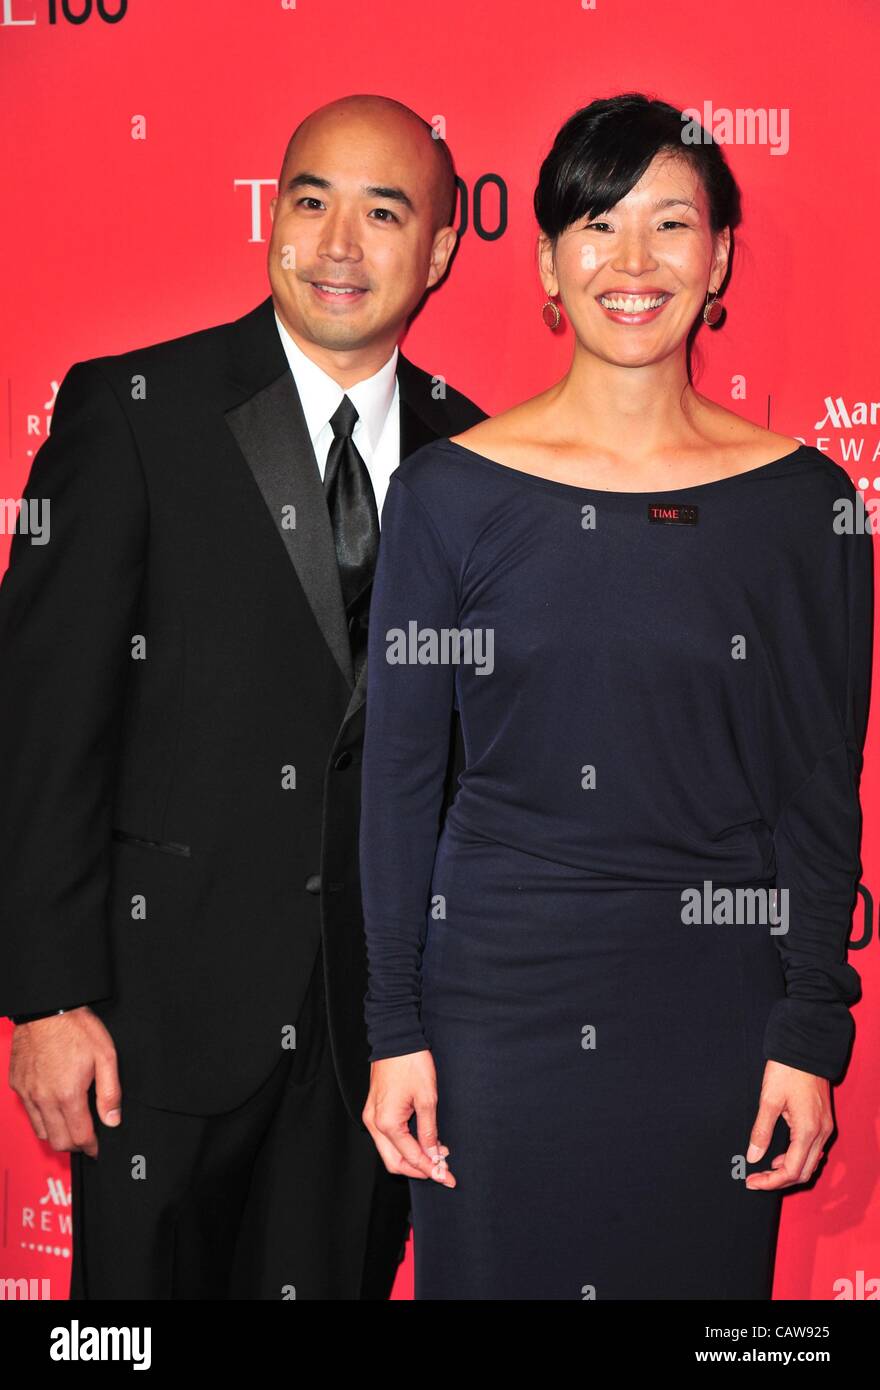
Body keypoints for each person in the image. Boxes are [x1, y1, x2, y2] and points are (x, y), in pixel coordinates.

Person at [359, 93, 874, 1299]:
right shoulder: (448, 494)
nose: (632, 262)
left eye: (670, 224)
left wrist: (809, 1026)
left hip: (712, 1013)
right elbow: (399, 783)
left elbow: (817, 789)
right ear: (547, 261)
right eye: (596, 224)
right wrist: (395, 1025)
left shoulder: (804, 505)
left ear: (719, 258)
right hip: (495, 1011)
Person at [0, 93, 484, 1299]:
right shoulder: (137, 411)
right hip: (155, 1026)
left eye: (383, 213)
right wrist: (45, 998)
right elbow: (40, 723)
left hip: (371, 1039)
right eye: (310, 201)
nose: (336, 244)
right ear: (271, 214)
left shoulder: (479, 458)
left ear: (438, 250)